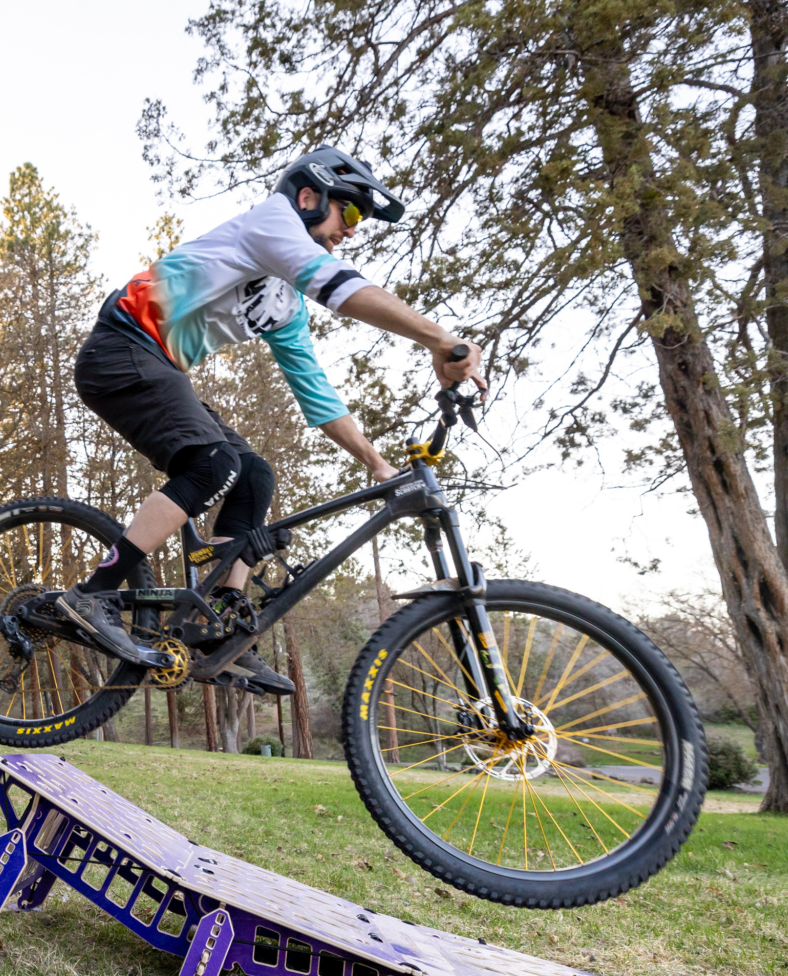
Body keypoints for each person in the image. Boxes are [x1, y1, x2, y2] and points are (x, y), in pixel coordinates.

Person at [57, 147, 489, 692]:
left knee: (254, 473)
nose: (351, 232)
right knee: (213, 463)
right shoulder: (271, 222)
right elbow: (343, 289)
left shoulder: (286, 303)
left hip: (158, 364)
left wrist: (377, 465)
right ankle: (90, 594)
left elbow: (317, 395)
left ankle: (222, 621)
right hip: (121, 346)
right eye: (349, 214)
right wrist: (441, 339)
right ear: (308, 198)